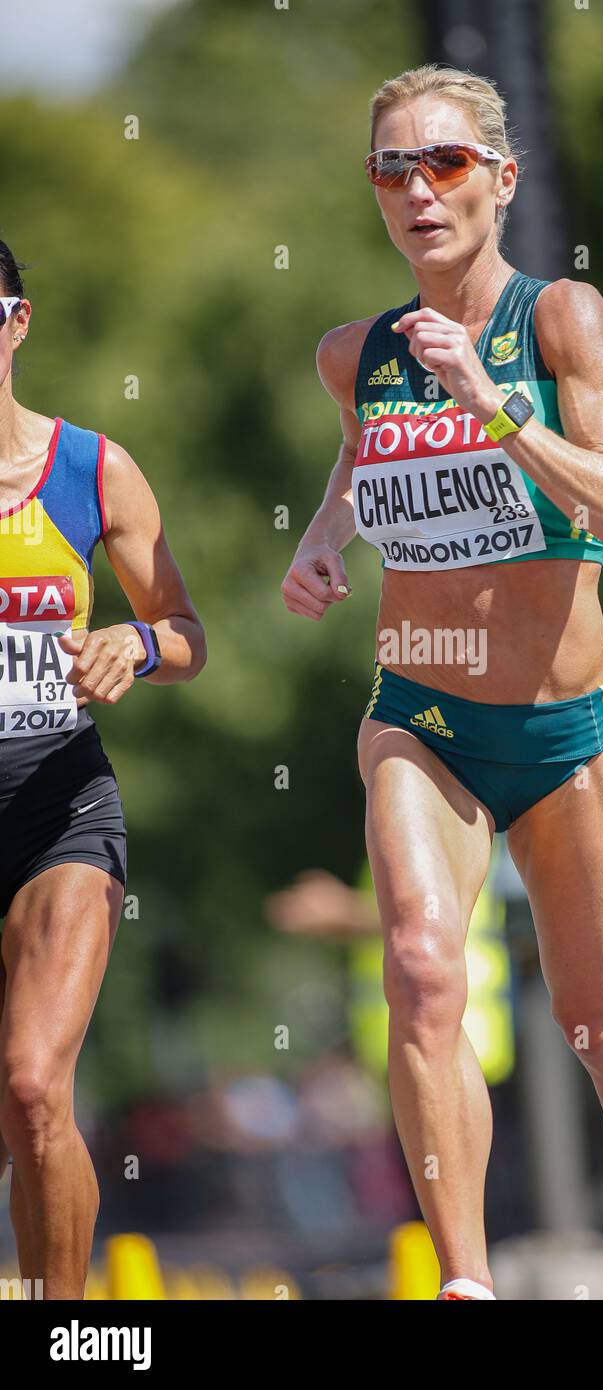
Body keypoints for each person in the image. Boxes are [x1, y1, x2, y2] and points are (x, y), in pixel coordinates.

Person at [281, 64, 603, 1300]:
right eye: (391, 167)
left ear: (501, 180)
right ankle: (463, 1282)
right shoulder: (351, 355)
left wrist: (496, 408)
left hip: (564, 728)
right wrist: (324, 537)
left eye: (445, 163)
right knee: (419, 968)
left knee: (599, 1021)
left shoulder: (561, 320)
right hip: (418, 717)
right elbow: (366, 463)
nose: (417, 188)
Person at [0, 238, 206, 1298]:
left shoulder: (89, 467)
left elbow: (186, 629)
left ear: (18, 323)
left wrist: (137, 641)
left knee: (35, 1084)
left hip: (58, 802)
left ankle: (63, 1323)